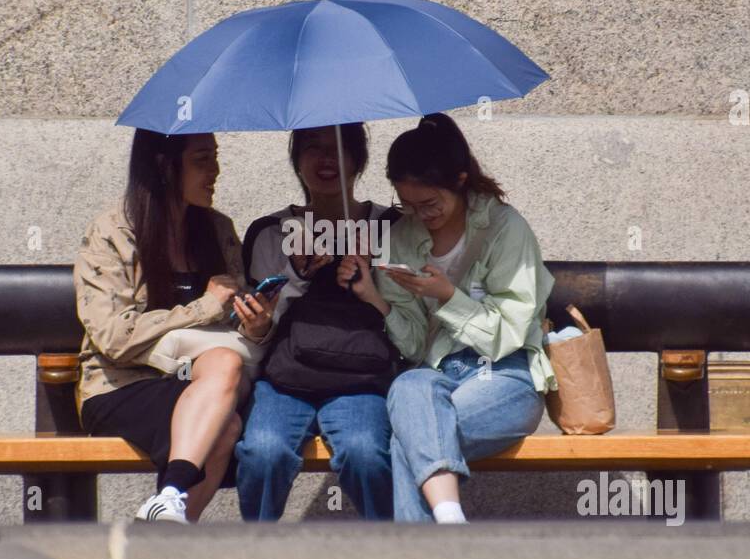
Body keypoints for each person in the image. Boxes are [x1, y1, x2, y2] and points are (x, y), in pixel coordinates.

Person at [337, 113, 556, 523]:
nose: (421, 215)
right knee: (409, 383)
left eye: (430, 204)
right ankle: (449, 524)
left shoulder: (504, 228)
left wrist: (448, 298)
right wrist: (375, 298)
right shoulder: (403, 236)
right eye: (409, 205)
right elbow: (416, 346)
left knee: (408, 441)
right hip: (436, 379)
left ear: (459, 180)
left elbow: (509, 333)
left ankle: (429, 555)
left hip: (505, 377)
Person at [74, 130, 277, 524]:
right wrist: (203, 306)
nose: (215, 171)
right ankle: (170, 513)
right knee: (225, 419)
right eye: (202, 159)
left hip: (206, 384)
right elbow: (113, 337)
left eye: (216, 157)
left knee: (226, 384)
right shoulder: (113, 232)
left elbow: (235, 328)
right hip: (121, 384)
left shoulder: (218, 230)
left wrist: (256, 325)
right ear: (165, 166)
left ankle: (167, 504)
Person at [234, 123, 397, 520]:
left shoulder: (390, 226)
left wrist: (370, 277)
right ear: (296, 160)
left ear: (358, 159)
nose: (325, 159)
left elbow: (409, 317)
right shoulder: (271, 232)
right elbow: (259, 331)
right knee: (263, 453)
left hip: (363, 378)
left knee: (365, 453)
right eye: (312, 147)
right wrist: (295, 278)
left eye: (338, 148)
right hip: (286, 379)